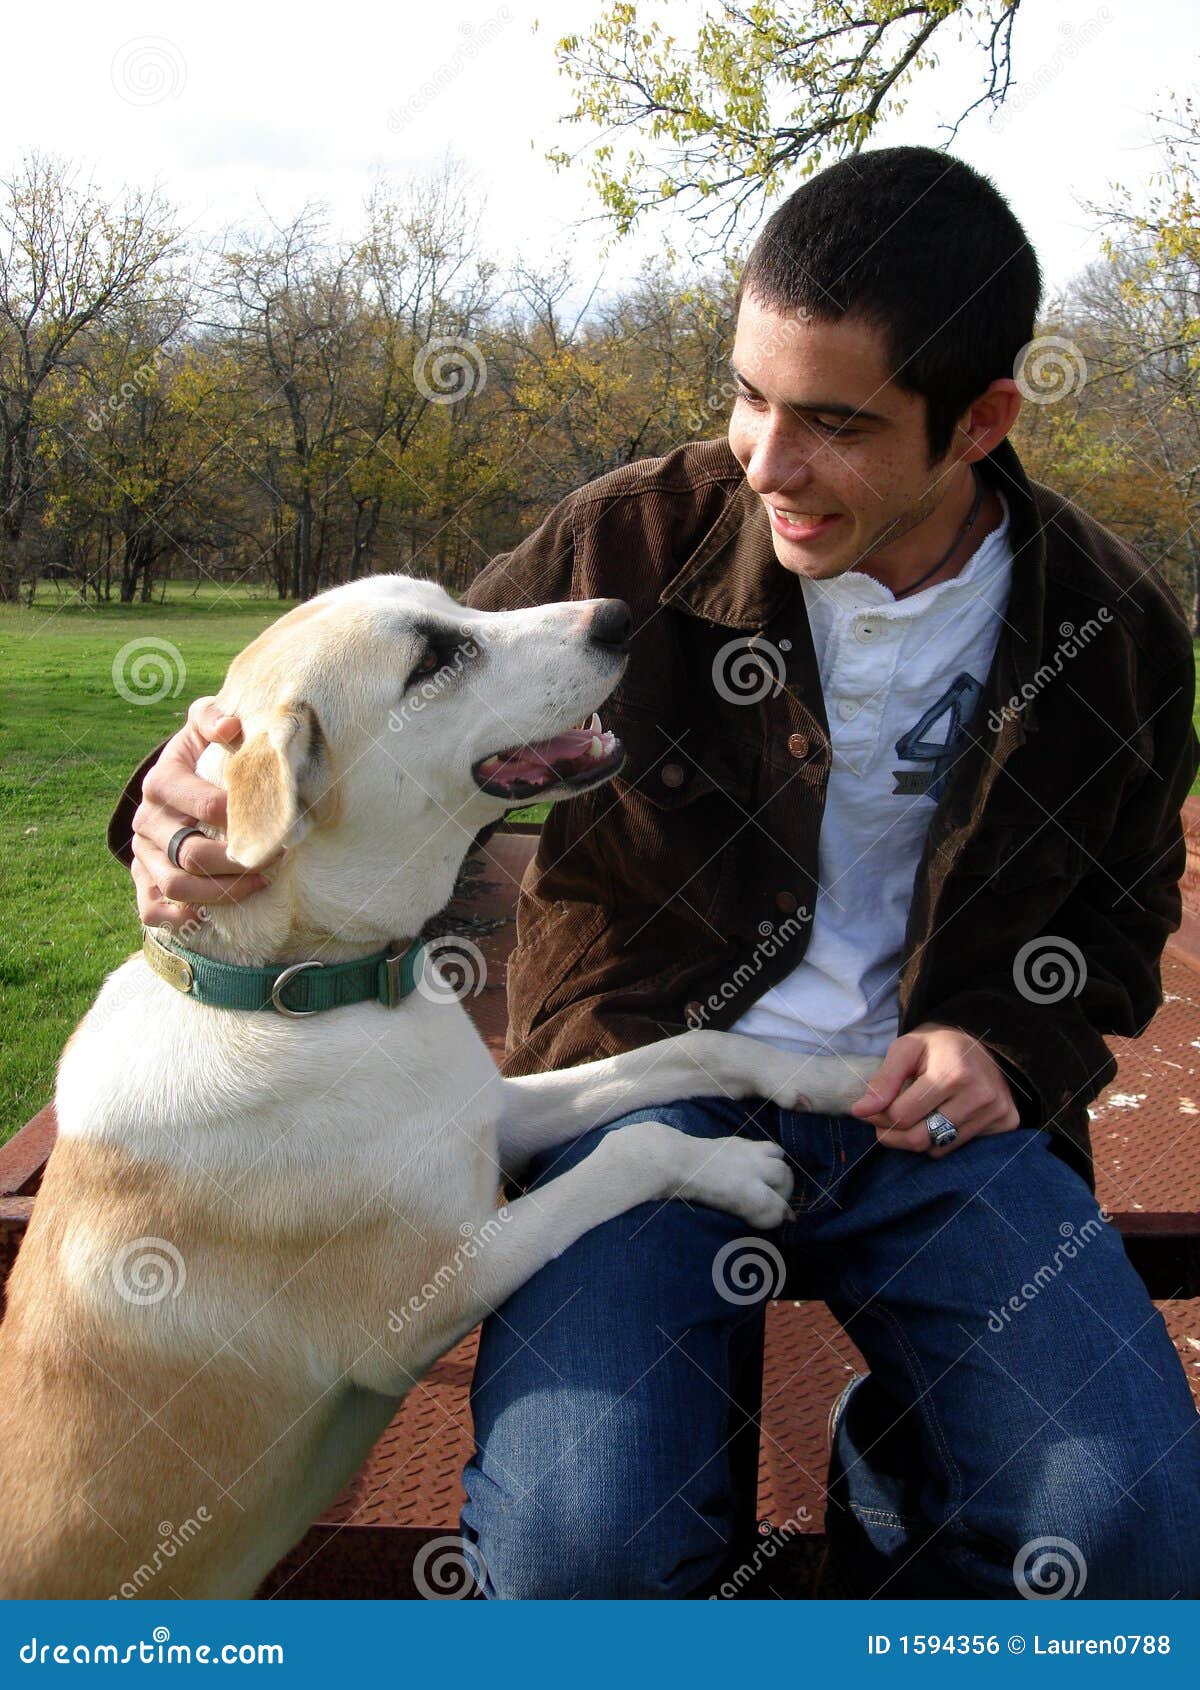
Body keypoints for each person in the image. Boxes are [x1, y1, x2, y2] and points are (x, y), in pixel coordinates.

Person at [109, 147, 1200, 1599]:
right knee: (583, 1554)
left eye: (834, 424)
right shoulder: (633, 537)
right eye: (748, 396)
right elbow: (371, 703)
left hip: (929, 1125)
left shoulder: (1114, 630)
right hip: (635, 1083)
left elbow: (1124, 918)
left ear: (982, 420)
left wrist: (1008, 1041)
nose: (766, 461)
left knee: (1130, 1533)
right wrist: (176, 800)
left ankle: (907, 1483)